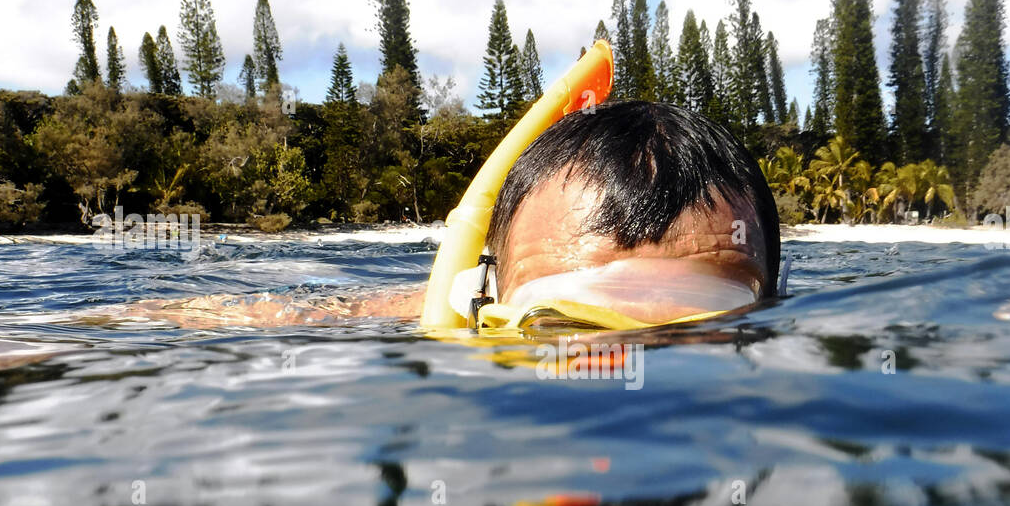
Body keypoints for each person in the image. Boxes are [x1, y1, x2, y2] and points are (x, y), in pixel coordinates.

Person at [123, 101, 780, 330]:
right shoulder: (422, 309)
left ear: (775, 298)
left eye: (706, 328)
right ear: (480, 300)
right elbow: (159, 321)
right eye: (563, 324)